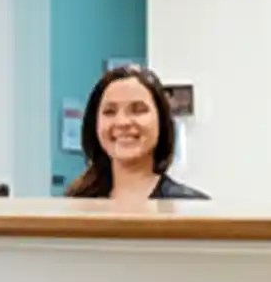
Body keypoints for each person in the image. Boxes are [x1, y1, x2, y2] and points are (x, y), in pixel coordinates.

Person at [65, 65, 209, 200]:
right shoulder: (74, 205)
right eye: (110, 111)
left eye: (138, 110)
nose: (122, 122)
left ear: (161, 121)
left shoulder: (191, 208)